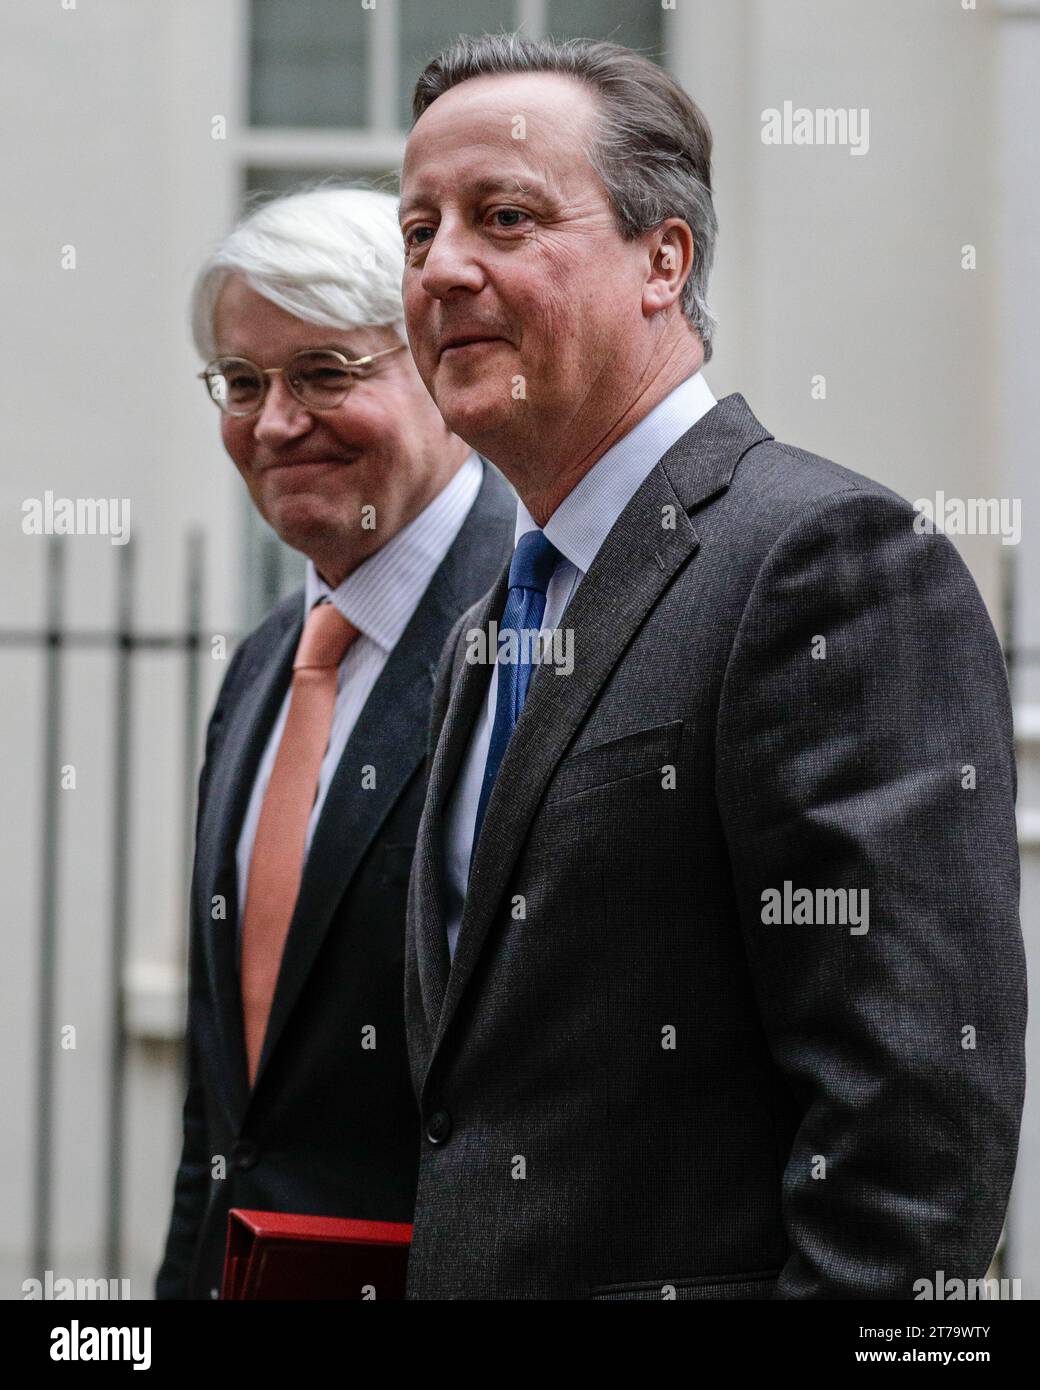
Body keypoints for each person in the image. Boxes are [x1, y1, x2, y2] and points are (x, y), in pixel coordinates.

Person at [397, 34, 1027, 1299]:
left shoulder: (824, 561)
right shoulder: (488, 627)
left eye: (503, 215)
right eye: (416, 231)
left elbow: (912, 1133)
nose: (442, 266)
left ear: (662, 258)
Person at [155, 186, 514, 1299]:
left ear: (436, 364)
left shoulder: (551, 635)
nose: (271, 423)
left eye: (321, 374)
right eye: (243, 382)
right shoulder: (266, 663)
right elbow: (226, 1103)